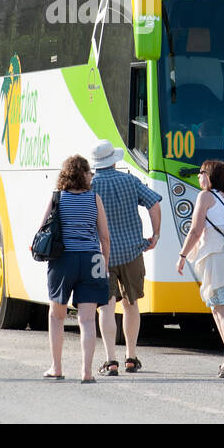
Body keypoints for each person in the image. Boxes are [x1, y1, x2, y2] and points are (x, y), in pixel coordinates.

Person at [89, 140, 161, 375]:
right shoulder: (130, 180)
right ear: (114, 160)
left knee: (106, 308)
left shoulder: (91, 187)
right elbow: (154, 203)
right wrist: (155, 234)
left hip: (101, 255)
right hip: (132, 251)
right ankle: (131, 357)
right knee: (131, 305)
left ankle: (111, 361)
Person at [176, 159, 224, 378]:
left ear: (208, 176)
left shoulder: (206, 197)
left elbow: (195, 230)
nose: (198, 176)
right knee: (221, 310)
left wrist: (182, 255)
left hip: (219, 259)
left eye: (200, 172)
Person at [42, 154, 111, 382]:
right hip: (93, 260)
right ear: (84, 175)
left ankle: (57, 367)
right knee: (88, 320)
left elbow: (42, 229)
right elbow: (105, 237)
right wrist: (105, 264)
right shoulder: (95, 198)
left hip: (63, 260)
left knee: (57, 316)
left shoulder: (57, 199)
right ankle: (87, 372)